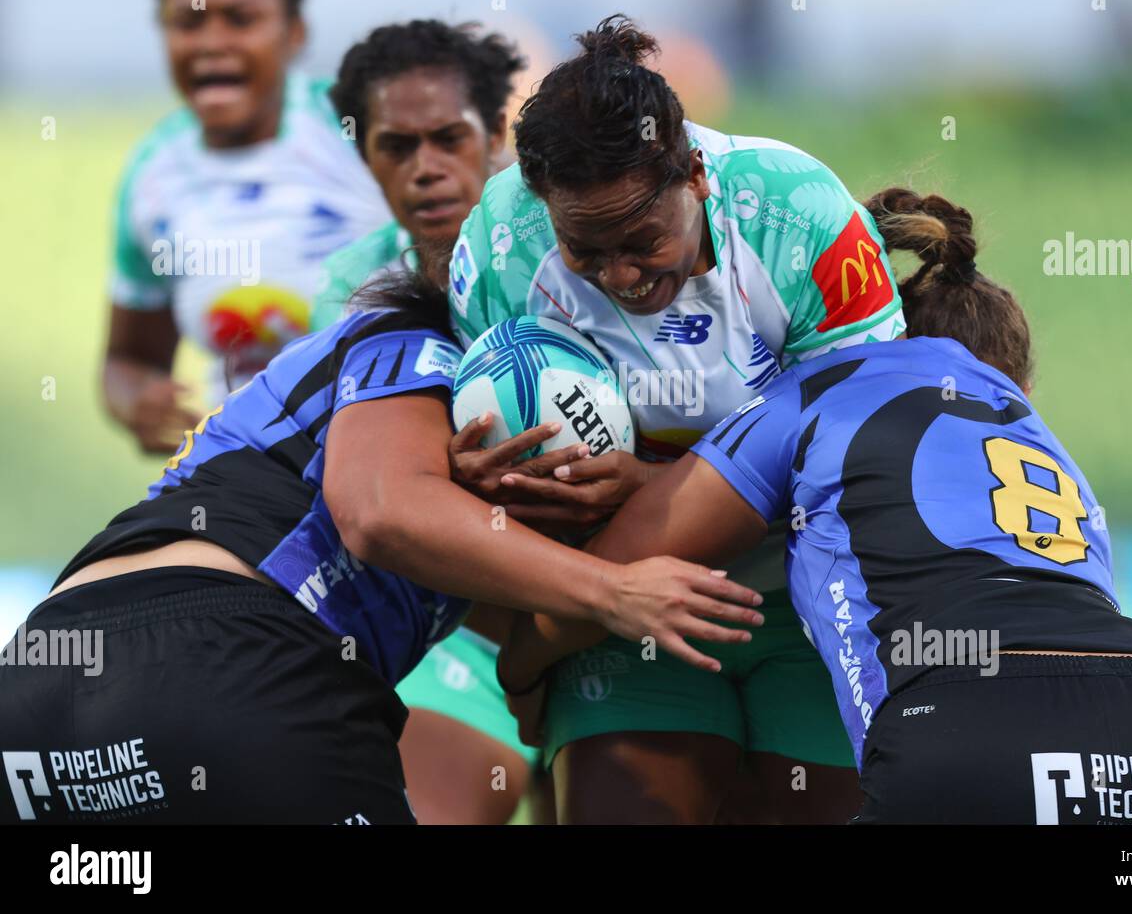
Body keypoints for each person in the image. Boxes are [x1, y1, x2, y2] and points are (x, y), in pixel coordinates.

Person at [499, 188, 1132, 825]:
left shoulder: (830, 385)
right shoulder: (1047, 446)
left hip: (967, 729)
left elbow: (624, 561)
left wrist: (522, 666)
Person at [0, 273, 762, 825]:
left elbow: (518, 639)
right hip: (227, 660)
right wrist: (614, 591)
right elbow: (380, 514)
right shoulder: (418, 344)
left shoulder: (442, 464)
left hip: (40, 679)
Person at [448, 15, 906, 823]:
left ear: (694, 174)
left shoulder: (800, 214)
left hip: (808, 600)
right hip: (619, 612)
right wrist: (476, 483)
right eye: (585, 253)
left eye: (642, 241)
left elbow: (873, 456)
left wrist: (657, 491)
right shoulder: (499, 245)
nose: (621, 275)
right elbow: (448, 494)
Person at [312, 20, 543, 824]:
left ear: (497, 136)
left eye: (448, 138)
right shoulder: (351, 287)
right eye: (396, 147)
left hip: (616, 611)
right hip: (455, 632)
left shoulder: (575, 251)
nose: (426, 170)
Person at [105, 0, 389, 453]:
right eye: (188, 22)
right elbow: (127, 358)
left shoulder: (361, 126)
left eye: (241, 19)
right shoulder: (153, 175)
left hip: (388, 447)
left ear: (294, 33)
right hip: (246, 469)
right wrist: (138, 404)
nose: (212, 43)